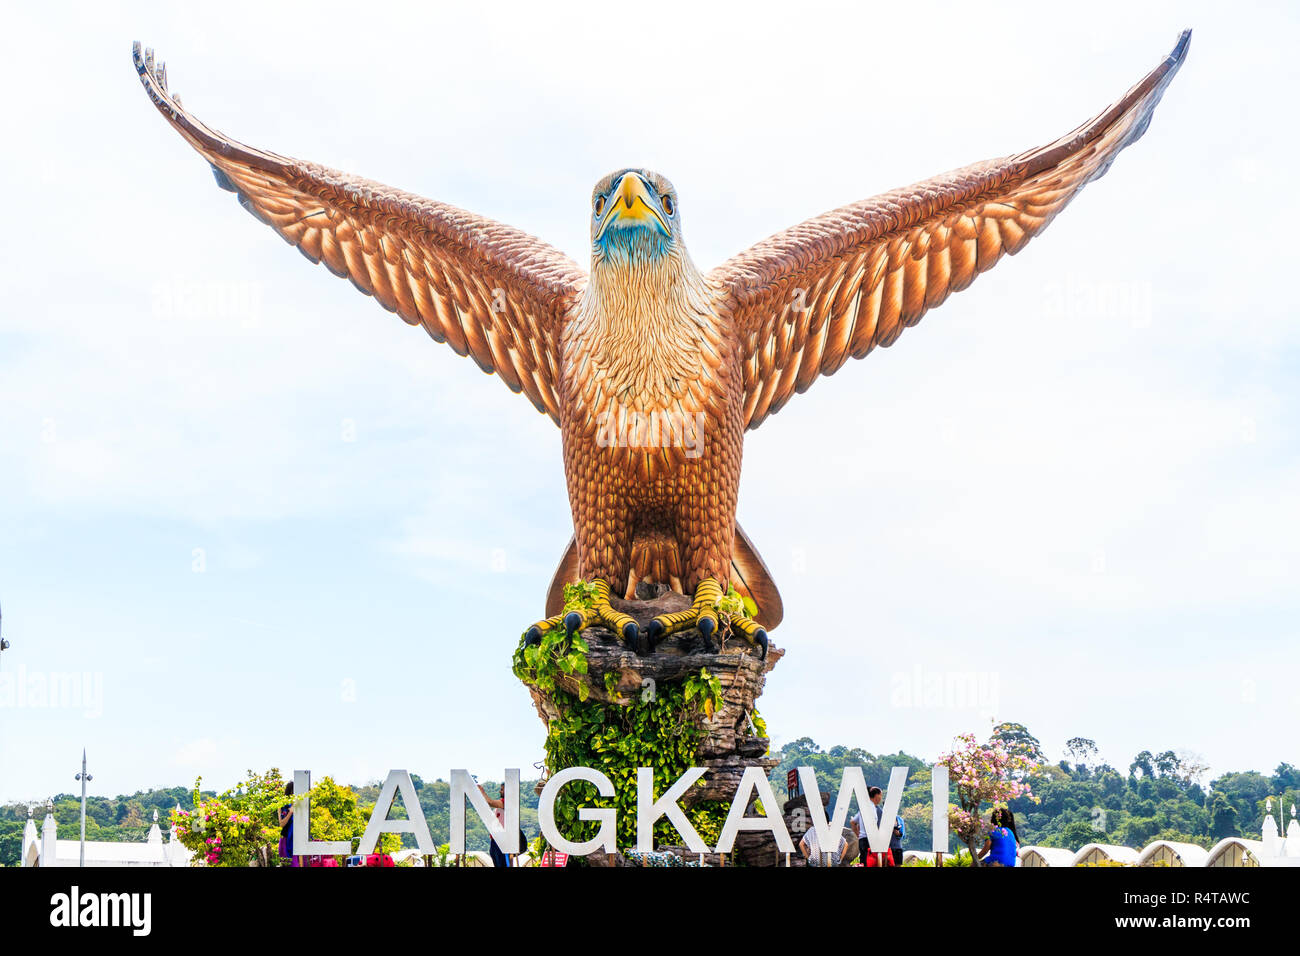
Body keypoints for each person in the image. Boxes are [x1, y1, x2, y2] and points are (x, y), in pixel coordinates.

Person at [852, 786, 906, 866]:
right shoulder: (878, 812)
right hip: (883, 846)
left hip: (895, 847)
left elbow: (902, 835)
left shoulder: (899, 819)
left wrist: (897, 832)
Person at [278, 781, 299, 867]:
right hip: (287, 841)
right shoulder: (284, 805)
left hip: (298, 840)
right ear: (291, 791)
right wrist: (290, 812)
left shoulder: (300, 804)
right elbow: (282, 824)